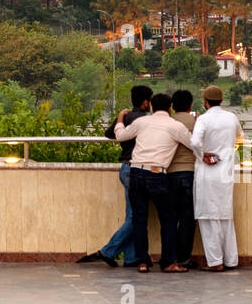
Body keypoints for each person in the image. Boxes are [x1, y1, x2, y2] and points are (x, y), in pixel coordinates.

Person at [111, 91, 196, 273]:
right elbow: (194, 144)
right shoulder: (175, 126)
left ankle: (142, 261)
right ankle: (168, 262)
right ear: (170, 107)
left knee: (140, 220)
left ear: (151, 105)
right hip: (157, 175)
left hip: (135, 173)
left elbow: (121, 136)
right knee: (168, 219)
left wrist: (119, 119)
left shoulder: (141, 122)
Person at [78, 84, 151, 267]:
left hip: (125, 168)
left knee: (131, 215)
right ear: (145, 102)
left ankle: (131, 257)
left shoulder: (125, 117)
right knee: (135, 217)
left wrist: (120, 118)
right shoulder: (145, 120)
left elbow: (110, 133)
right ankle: (107, 251)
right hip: (137, 169)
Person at [190, 84, 244, 271]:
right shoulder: (232, 118)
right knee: (225, 216)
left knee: (207, 217)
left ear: (205, 102)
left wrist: (203, 154)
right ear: (221, 100)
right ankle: (230, 259)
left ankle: (215, 262)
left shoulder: (203, 120)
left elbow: (195, 142)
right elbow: (240, 137)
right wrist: (227, 153)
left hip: (208, 173)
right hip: (226, 172)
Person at [167, 89, 198, 269]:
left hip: (169, 174)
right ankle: (183, 258)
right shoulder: (196, 122)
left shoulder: (168, 122)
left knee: (170, 218)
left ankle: (170, 258)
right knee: (187, 218)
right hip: (189, 173)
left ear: (172, 106)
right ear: (190, 106)